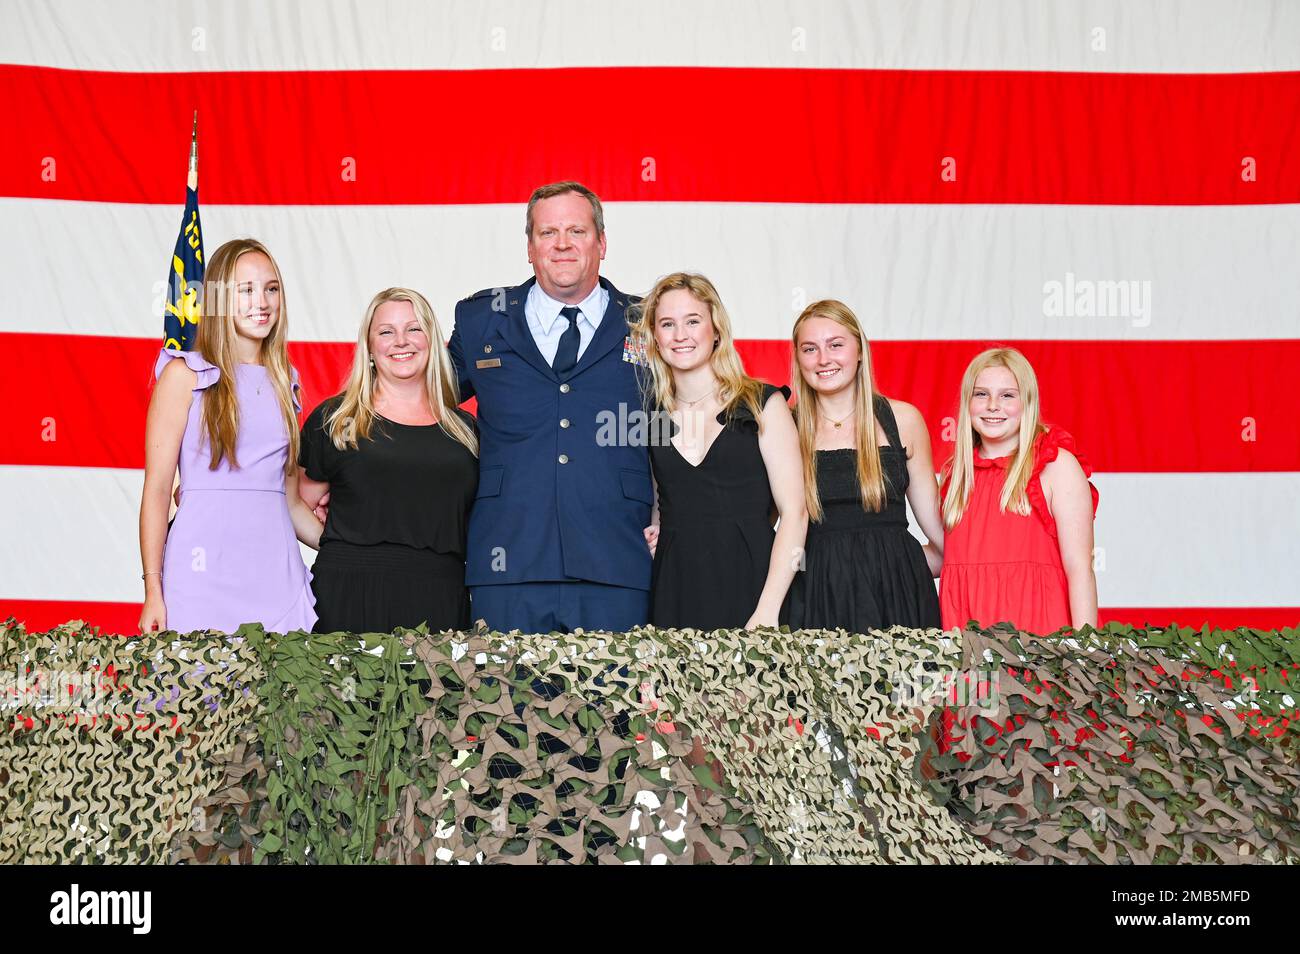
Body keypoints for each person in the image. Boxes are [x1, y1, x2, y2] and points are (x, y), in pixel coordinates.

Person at [448, 181, 652, 634]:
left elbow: (682, 424)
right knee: (501, 705)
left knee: (617, 706)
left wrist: (667, 515)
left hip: (616, 562)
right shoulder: (482, 318)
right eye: (548, 233)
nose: (562, 244)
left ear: (601, 243)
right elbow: (419, 403)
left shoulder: (650, 321)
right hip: (507, 563)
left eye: (577, 231)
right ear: (529, 246)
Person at [138, 238, 319, 634]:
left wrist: (358, 548)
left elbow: (289, 502)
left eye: (271, 289)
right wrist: (153, 588)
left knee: (282, 691)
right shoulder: (183, 375)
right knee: (199, 691)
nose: (263, 301)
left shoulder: (287, 381)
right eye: (247, 290)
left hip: (276, 572)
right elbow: (156, 490)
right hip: (202, 575)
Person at [297, 288, 478, 634]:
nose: (401, 341)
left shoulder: (466, 431)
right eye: (386, 332)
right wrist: (348, 543)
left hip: (441, 596)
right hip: (347, 596)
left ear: (431, 339)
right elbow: (296, 505)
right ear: (369, 346)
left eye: (413, 329)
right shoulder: (334, 420)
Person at [635, 273, 806, 630]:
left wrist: (768, 610)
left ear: (716, 331)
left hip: (756, 591)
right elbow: (660, 501)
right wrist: (655, 531)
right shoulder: (651, 415)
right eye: (667, 324)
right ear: (655, 338)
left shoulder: (762, 404)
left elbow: (795, 513)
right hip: (676, 590)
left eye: (692, 321)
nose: (680, 335)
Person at [786, 300, 943, 633]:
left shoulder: (904, 420)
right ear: (798, 359)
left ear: (859, 350)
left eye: (836, 345)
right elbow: (756, 523)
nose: (824, 359)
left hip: (897, 595)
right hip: (816, 595)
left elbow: (940, 532)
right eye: (810, 348)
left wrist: (904, 563)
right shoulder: (786, 428)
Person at [939, 347, 1099, 634]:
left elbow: (1079, 568)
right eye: (981, 394)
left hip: (1039, 641)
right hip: (968, 642)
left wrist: (1084, 655)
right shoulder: (957, 474)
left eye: (1007, 395)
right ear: (967, 403)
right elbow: (946, 557)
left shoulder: (1055, 465)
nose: (992, 405)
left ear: (1027, 402)